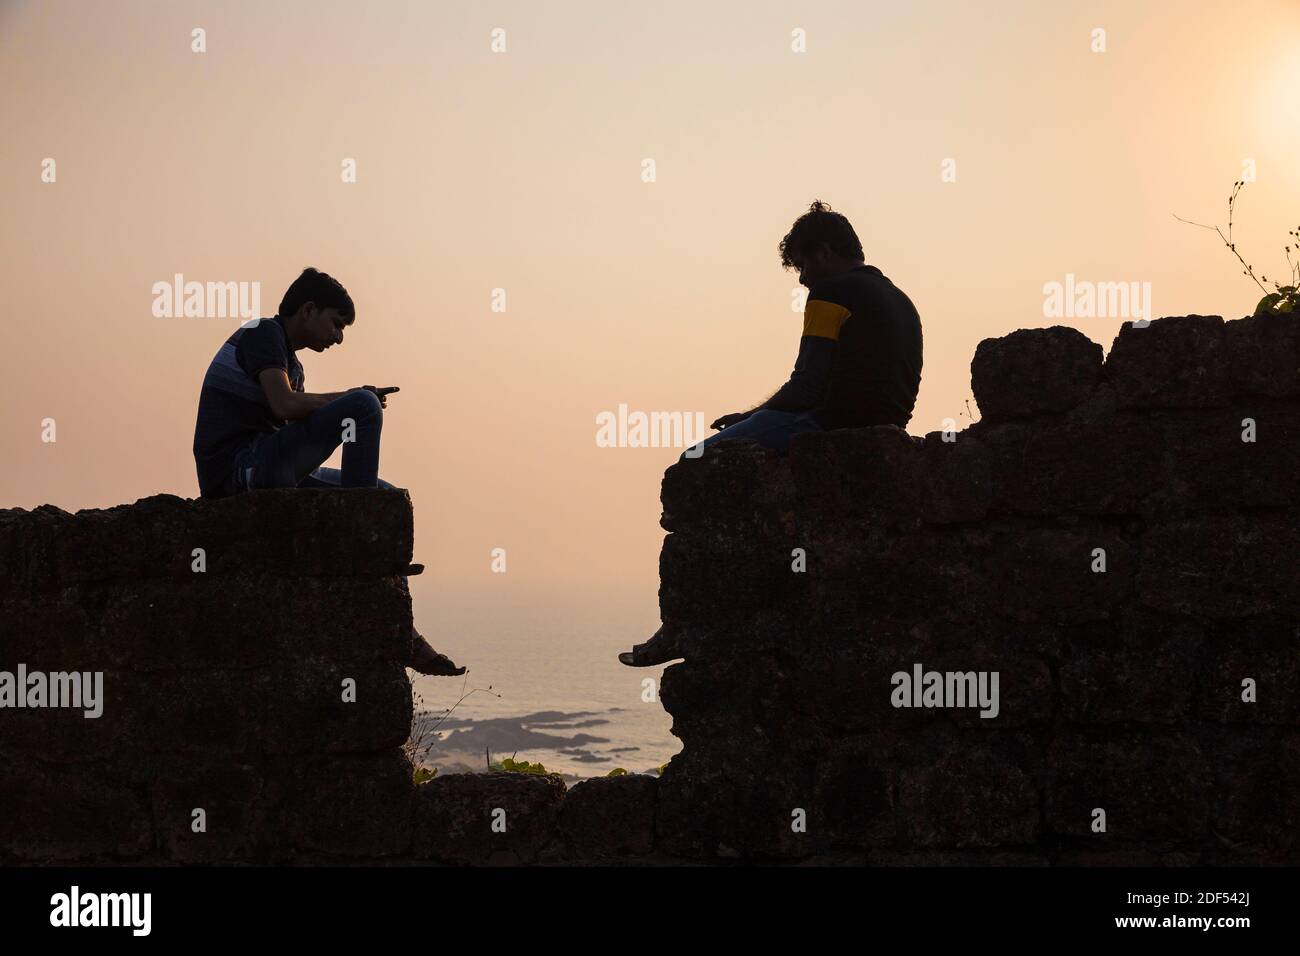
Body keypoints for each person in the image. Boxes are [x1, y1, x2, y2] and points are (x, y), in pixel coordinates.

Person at [619, 201, 924, 666]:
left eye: (803, 264)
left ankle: (682, 623)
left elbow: (806, 386)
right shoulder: (901, 299)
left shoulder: (830, 293)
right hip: (884, 425)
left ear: (823, 252)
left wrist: (746, 420)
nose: (802, 278)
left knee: (693, 466)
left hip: (825, 420)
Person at [192, 267, 465, 676]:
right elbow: (285, 406)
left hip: (267, 465)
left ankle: (403, 631)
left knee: (383, 496)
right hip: (240, 470)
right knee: (364, 407)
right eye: (336, 324)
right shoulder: (263, 335)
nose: (338, 338)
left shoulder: (293, 365)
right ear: (308, 309)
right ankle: (359, 558)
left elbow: (291, 426)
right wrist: (353, 399)